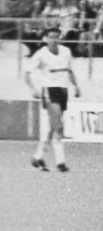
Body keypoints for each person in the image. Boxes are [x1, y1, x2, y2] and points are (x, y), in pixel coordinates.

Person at [27, 26, 80, 173]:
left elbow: (69, 71)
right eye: (51, 37)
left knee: (52, 127)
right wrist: (33, 89)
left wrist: (76, 86)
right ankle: (60, 162)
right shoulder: (41, 54)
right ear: (46, 38)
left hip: (63, 90)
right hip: (50, 90)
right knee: (58, 126)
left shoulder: (66, 52)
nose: (54, 40)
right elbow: (27, 73)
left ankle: (38, 157)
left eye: (57, 37)